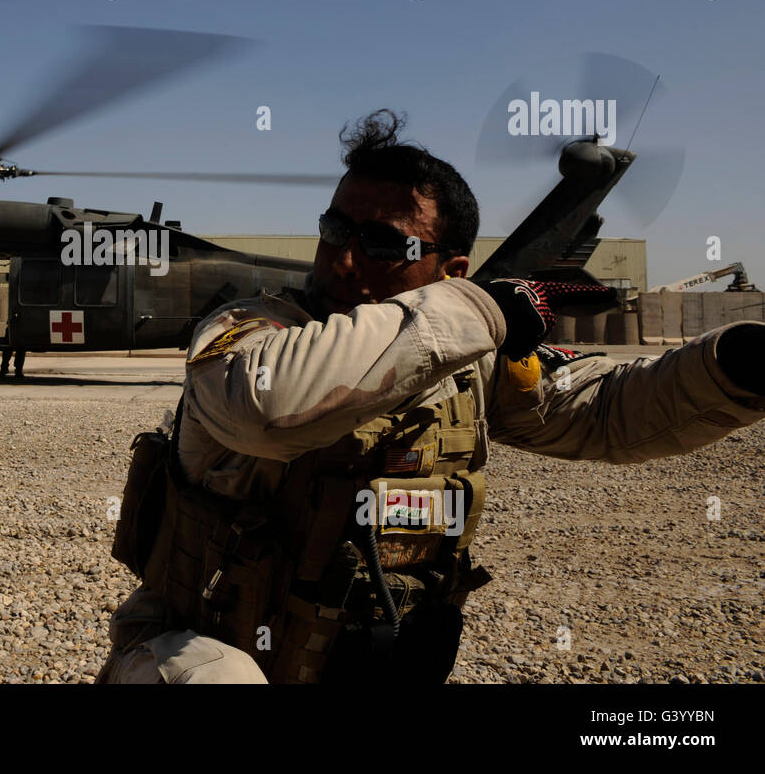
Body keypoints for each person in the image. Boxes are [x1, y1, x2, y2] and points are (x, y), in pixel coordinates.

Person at [96, 109, 765, 684]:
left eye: (385, 244)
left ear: (449, 271)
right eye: (337, 230)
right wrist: (478, 310)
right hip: (208, 655)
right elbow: (267, 408)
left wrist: (733, 366)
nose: (345, 260)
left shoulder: (462, 356)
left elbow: (606, 410)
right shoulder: (250, 333)